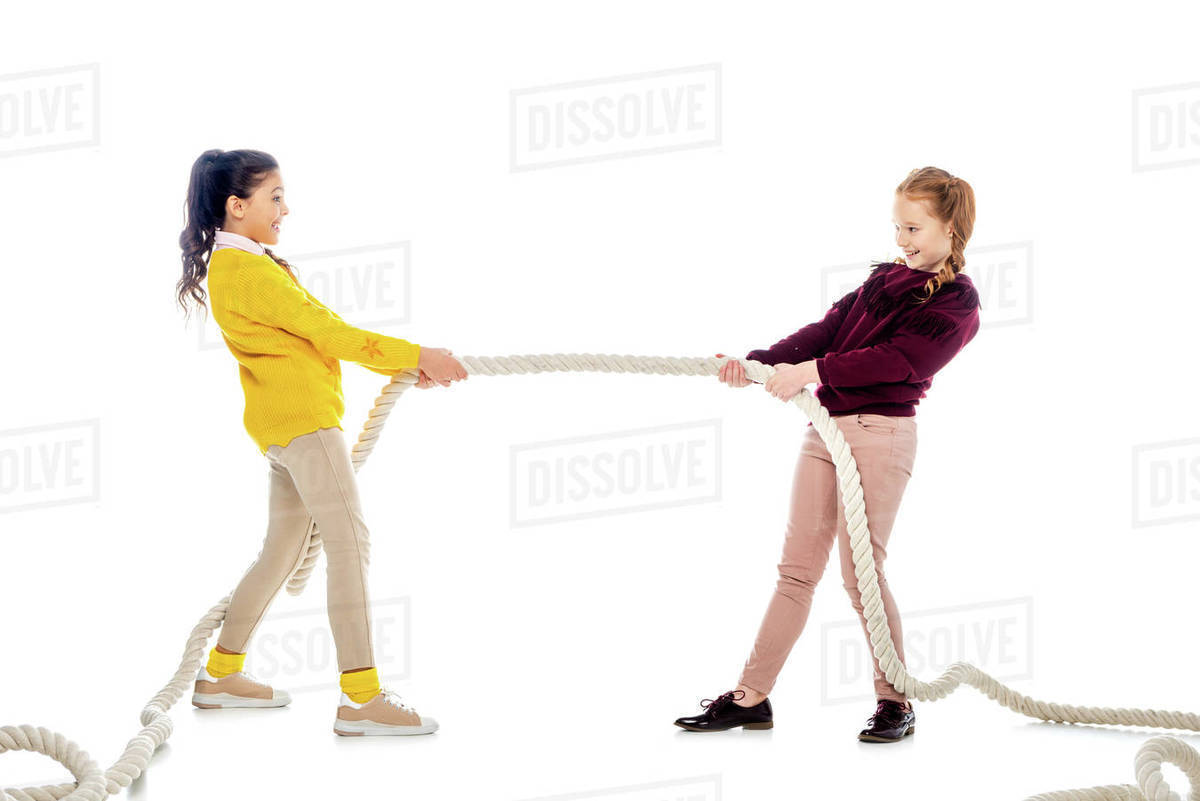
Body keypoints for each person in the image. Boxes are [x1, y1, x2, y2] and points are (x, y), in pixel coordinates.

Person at [675, 167, 982, 743]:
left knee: (860, 574)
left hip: (880, 435)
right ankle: (751, 696)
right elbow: (827, 330)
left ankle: (895, 702)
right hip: (827, 430)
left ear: (950, 227)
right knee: (796, 570)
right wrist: (757, 363)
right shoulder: (881, 280)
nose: (903, 239)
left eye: (914, 227)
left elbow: (896, 360)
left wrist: (807, 374)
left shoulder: (958, 302)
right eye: (897, 226)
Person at [175, 148, 466, 736]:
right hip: (305, 425)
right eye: (274, 197)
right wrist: (417, 355)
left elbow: (319, 331)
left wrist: (408, 365)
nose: (286, 208)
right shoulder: (249, 272)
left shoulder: (242, 267)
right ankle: (361, 697)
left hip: (285, 427)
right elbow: (329, 331)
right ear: (237, 206)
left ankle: (221, 673)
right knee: (350, 541)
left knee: (281, 551)